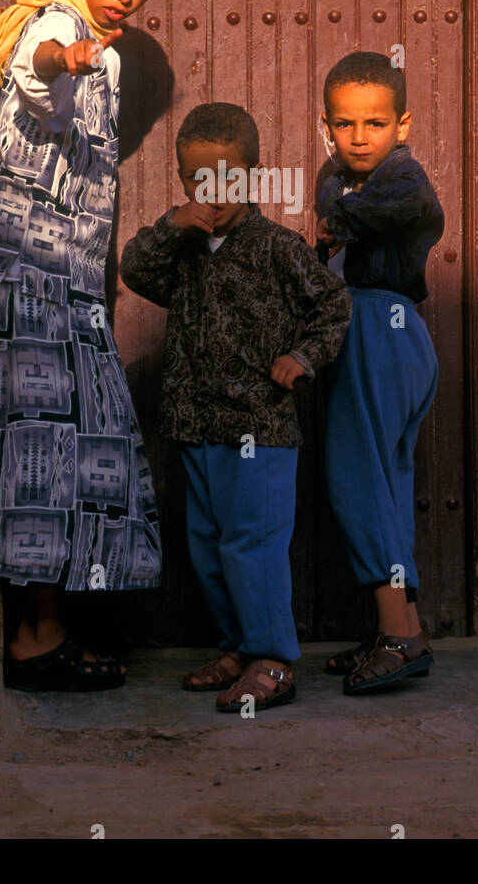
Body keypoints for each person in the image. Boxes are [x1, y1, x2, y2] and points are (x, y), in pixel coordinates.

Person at [0, 0, 179, 692]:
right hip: (29, 279)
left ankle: (41, 628)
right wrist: (70, 57)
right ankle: (37, 636)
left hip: (62, 286)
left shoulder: (105, 46)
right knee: (42, 453)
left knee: (58, 453)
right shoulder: (54, 25)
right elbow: (37, 75)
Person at [119, 103, 352, 712]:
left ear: (253, 175)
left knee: (252, 544)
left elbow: (333, 304)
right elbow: (135, 269)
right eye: (198, 182)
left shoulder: (277, 248)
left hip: (260, 428)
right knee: (208, 543)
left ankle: (273, 660)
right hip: (196, 425)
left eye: (227, 179)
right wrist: (174, 224)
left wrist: (303, 357)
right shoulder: (185, 248)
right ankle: (238, 647)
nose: (213, 193)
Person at [316, 51, 445, 695]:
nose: (360, 136)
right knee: (386, 484)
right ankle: (404, 627)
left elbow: (386, 211)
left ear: (404, 124)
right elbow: (325, 199)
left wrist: (337, 221)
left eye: (375, 123)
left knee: (357, 477)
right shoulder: (334, 178)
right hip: (363, 332)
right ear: (327, 125)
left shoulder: (404, 178)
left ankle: (396, 635)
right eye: (345, 124)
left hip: (380, 330)